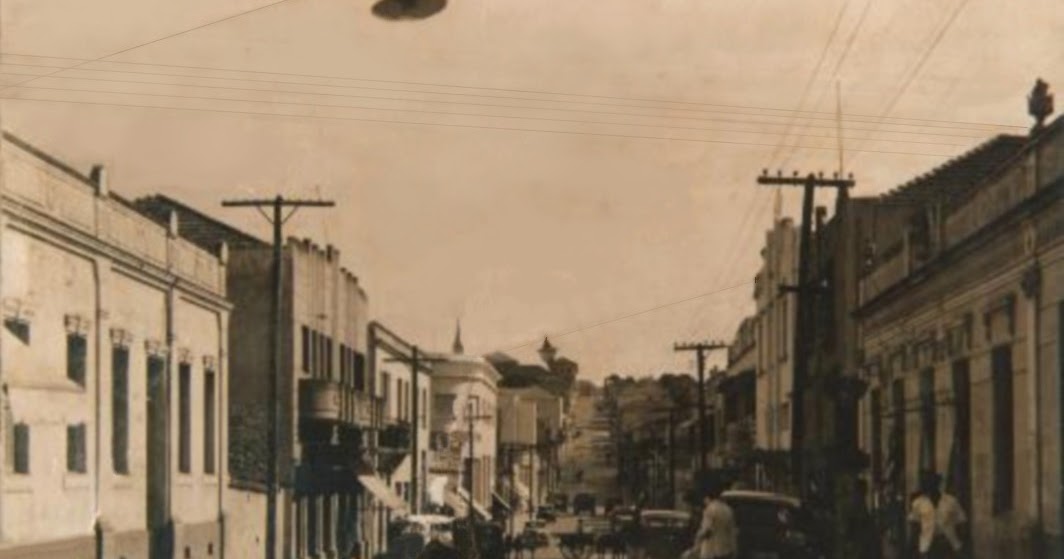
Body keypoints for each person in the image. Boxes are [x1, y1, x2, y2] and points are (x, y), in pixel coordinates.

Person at [908, 470, 967, 559]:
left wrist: (959, 541)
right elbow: (914, 526)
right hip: (927, 545)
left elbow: (961, 521)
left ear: (937, 484)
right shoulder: (918, 503)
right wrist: (914, 548)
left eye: (932, 484)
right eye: (927, 484)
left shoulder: (951, 501)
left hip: (947, 544)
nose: (930, 487)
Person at [683, 476, 738, 559]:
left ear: (707, 497)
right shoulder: (728, 509)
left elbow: (706, 530)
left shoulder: (710, 510)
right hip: (726, 551)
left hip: (711, 551)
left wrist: (695, 545)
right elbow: (732, 532)